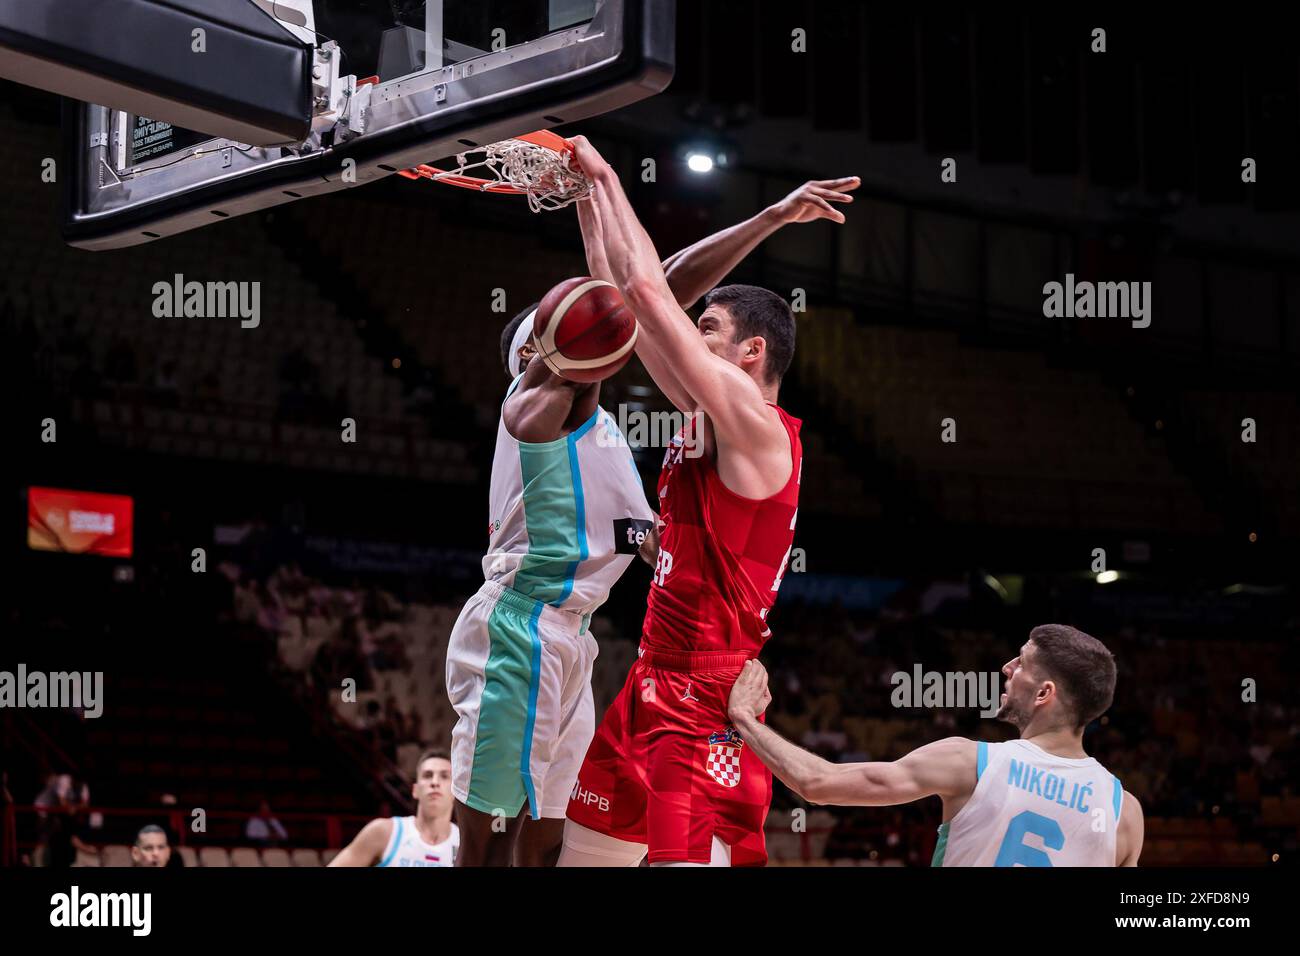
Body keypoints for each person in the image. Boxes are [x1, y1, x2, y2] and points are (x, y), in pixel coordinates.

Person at [447, 176, 849, 867]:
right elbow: (644, 292)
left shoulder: (609, 431)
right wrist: (592, 187)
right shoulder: (545, 395)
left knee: (549, 833)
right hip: (525, 618)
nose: (605, 333)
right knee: (492, 828)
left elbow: (650, 537)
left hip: (593, 642)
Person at [559, 134, 857, 866]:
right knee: (582, 856)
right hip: (649, 680)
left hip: (701, 706)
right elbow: (620, 292)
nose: (695, 335)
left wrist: (602, 172)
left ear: (752, 353)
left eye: (710, 330)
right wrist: (582, 200)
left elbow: (649, 292)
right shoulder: (708, 414)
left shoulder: (755, 425)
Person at [724, 624, 1145, 866]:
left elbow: (816, 783)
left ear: (1043, 693)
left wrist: (745, 719)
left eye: (1021, 663)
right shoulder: (1124, 812)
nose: (1007, 668)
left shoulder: (970, 761)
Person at [329, 749, 459, 867]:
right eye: (427, 775)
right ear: (415, 790)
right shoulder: (384, 832)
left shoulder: (466, 844)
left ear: (456, 791)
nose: (435, 782)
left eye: (444, 776)